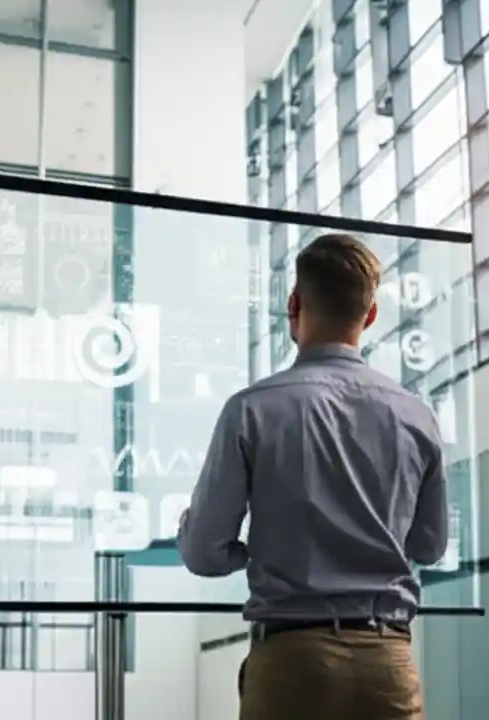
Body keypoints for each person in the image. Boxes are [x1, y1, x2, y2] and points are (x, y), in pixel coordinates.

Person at [178, 233, 448, 720]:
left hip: (291, 664)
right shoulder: (416, 415)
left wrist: (259, 551)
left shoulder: (252, 410)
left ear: (294, 305)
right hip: (386, 663)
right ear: (368, 316)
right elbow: (429, 547)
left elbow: (203, 553)